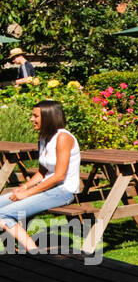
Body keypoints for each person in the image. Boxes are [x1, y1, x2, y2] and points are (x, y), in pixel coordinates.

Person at [0, 101, 81, 252]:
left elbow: (59, 176)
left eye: (35, 116)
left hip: (63, 191)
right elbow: (42, 172)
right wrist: (23, 187)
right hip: (46, 188)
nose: (31, 119)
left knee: (3, 214)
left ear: (48, 117)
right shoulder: (43, 137)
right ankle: (14, 250)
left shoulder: (63, 138)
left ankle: (33, 252)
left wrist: (27, 193)